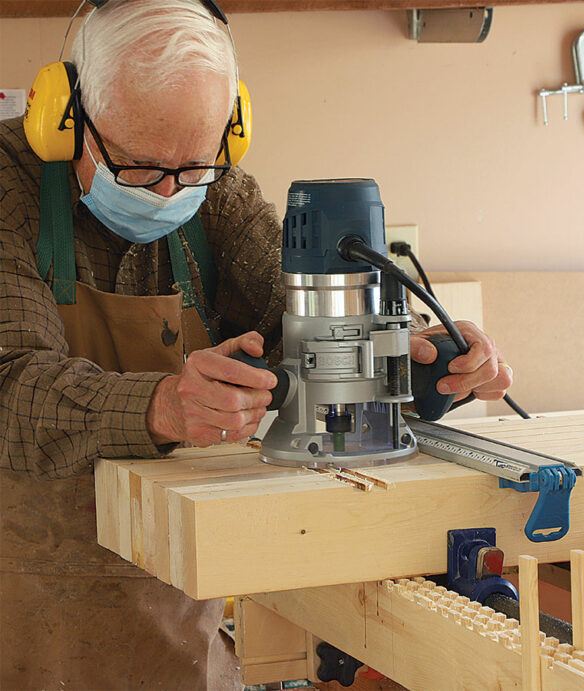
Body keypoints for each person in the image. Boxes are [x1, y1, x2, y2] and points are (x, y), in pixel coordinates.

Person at [0, 0, 513, 688]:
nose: (167, 192)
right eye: (139, 167)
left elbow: (296, 331)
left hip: (172, 610)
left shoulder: (218, 195)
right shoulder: (9, 186)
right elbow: (11, 384)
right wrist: (159, 404)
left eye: (193, 165)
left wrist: (408, 363)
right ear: (68, 114)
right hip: (19, 607)